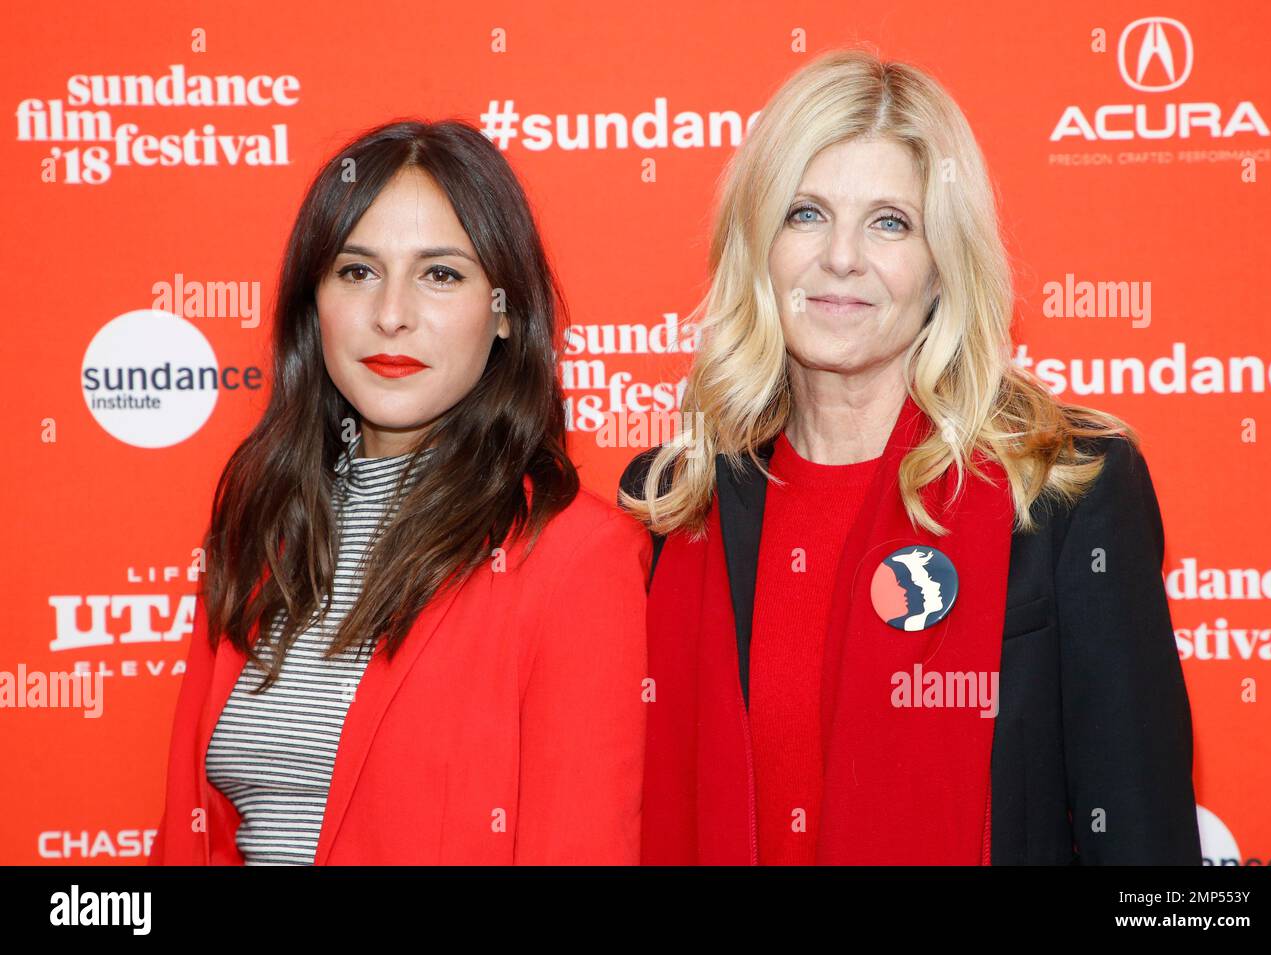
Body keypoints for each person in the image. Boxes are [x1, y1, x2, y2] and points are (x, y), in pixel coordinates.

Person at [619, 49, 1199, 865]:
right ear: (757, 245)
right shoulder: (674, 503)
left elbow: (1148, 847)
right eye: (805, 213)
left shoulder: (1066, 488)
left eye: (890, 222)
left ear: (941, 267)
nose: (842, 258)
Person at [152, 120, 649, 865]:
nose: (391, 314)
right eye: (357, 271)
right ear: (311, 302)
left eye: (440, 274)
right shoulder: (261, 531)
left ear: (505, 309)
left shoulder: (575, 555)